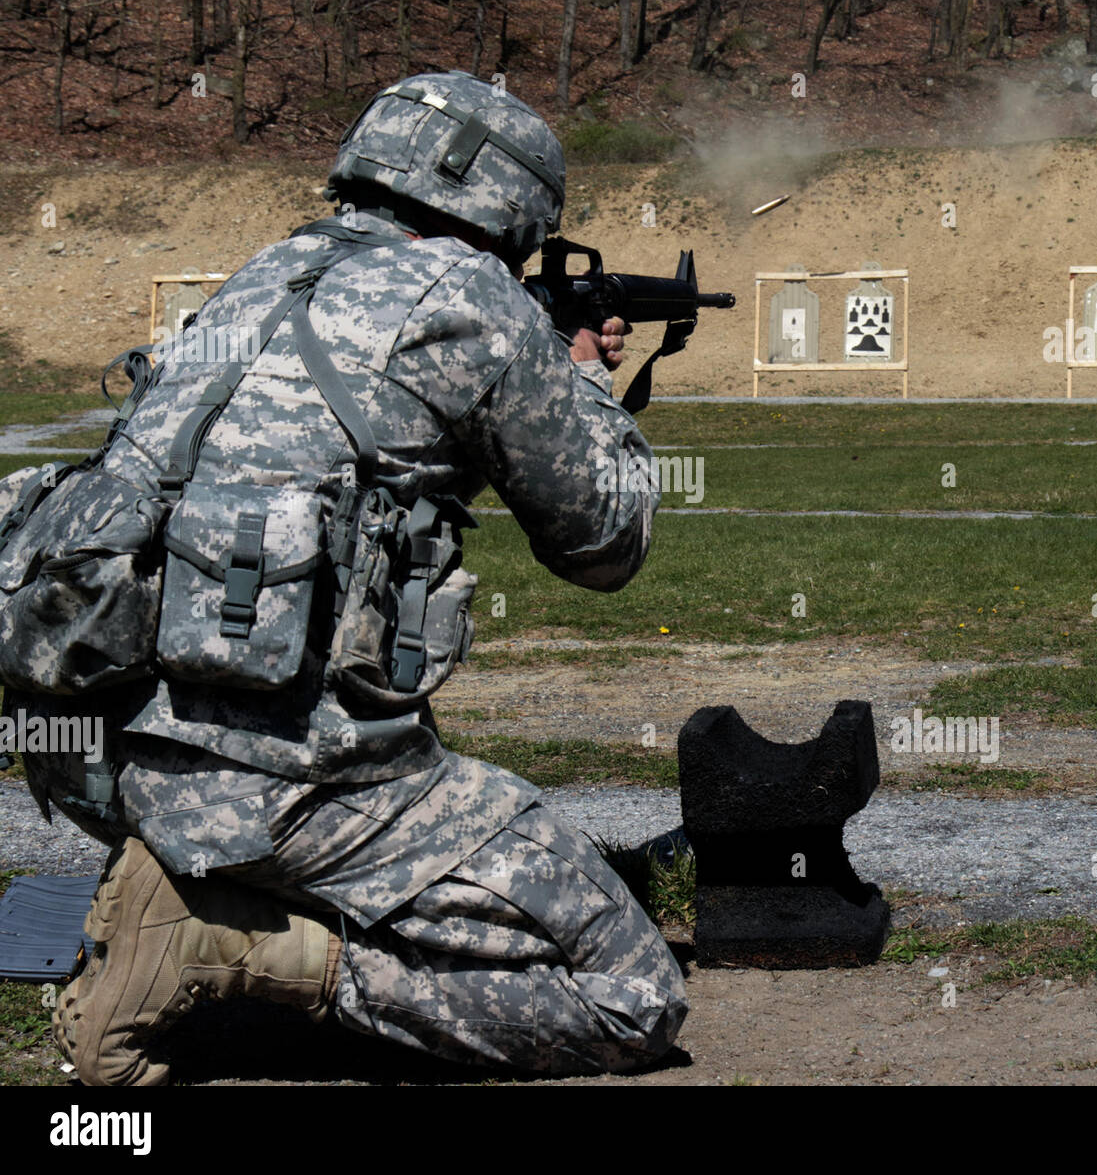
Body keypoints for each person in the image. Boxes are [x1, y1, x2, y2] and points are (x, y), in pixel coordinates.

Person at [17, 69, 687, 1085]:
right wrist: (583, 380)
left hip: (110, 755)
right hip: (293, 782)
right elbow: (603, 545)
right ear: (504, 203)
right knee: (631, 1000)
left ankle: (189, 885)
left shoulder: (258, 278)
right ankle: (248, 950)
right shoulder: (469, 299)